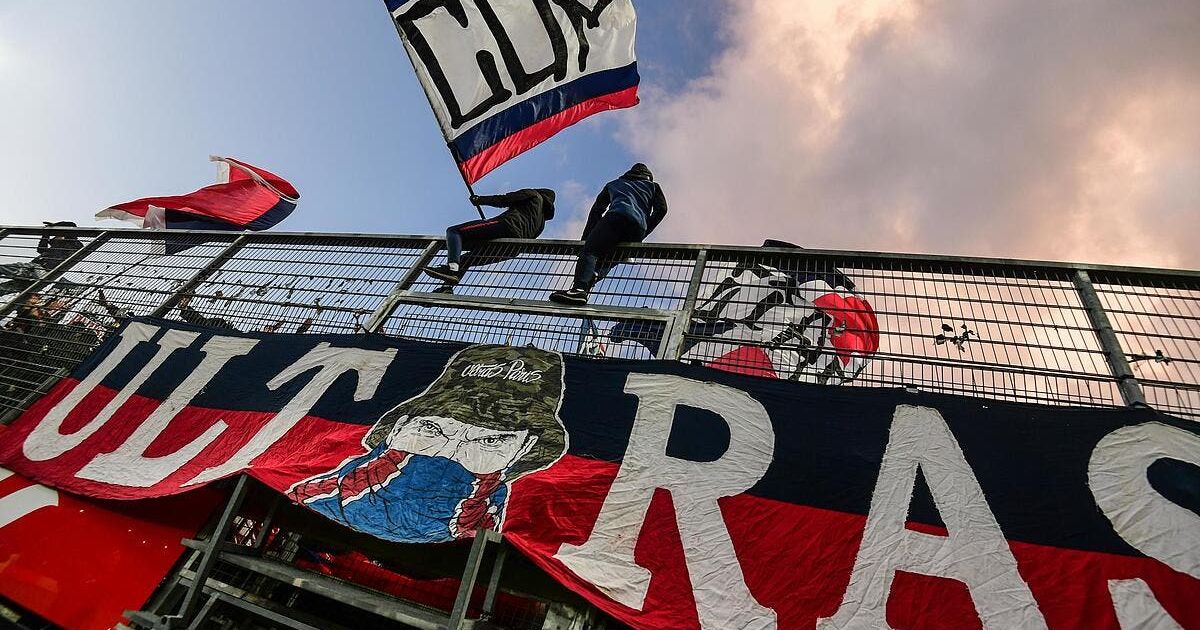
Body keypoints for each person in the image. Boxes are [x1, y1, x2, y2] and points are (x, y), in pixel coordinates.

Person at [287, 344, 568, 543]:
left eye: (490, 439)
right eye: (431, 428)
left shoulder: (492, 514)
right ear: (399, 426)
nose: (449, 452)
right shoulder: (324, 489)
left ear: (525, 448)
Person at [549, 163, 667, 305]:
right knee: (611, 259)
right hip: (637, 228)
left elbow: (597, 210)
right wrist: (645, 230)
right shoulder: (653, 186)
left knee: (590, 252)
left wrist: (587, 238)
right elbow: (662, 209)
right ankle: (592, 277)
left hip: (615, 218)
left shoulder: (614, 184)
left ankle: (578, 290)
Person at [423, 189, 556, 288]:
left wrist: (480, 200)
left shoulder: (534, 194)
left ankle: (451, 268)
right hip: (513, 249)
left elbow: (504, 200)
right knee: (467, 260)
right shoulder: (541, 224)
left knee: (454, 231)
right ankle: (447, 287)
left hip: (506, 227)